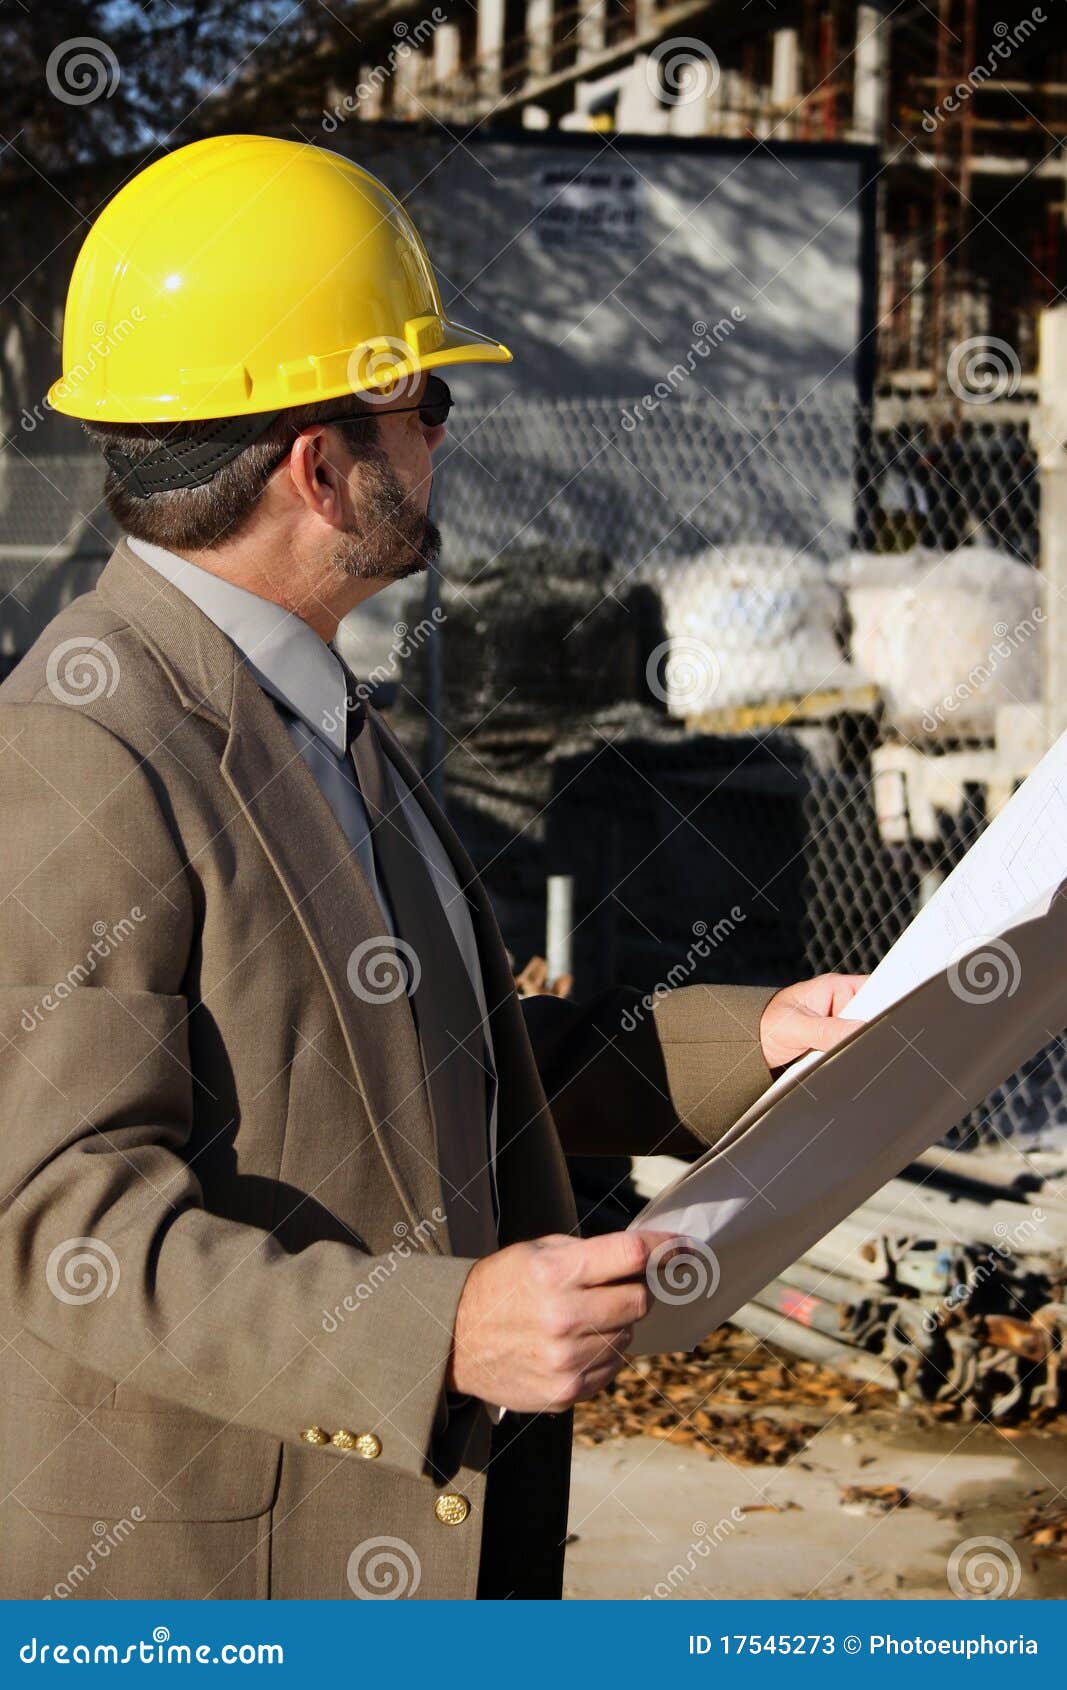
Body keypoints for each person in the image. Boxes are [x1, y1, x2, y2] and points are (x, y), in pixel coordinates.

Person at [0, 135, 862, 1601]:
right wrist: (441, 1333)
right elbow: (57, 1218)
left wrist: (754, 1039)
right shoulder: (79, 748)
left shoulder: (314, 706)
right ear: (321, 468)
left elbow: (428, 1069)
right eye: (428, 401)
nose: (444, 437)